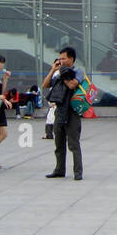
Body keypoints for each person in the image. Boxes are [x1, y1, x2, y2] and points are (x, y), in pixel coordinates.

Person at [42, 48, 84, 180]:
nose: (61, 61)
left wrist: (63, 75)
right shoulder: (58, 72)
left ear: (71, 59)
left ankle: (78, 172)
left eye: (64, 58)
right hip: (59, 111)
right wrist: (53, 70)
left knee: (73, 144)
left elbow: (72, 85)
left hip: (72, 111)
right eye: (60, 58)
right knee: (58, 143)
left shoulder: (78, 72)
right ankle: (59, 169)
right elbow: (45, 84)